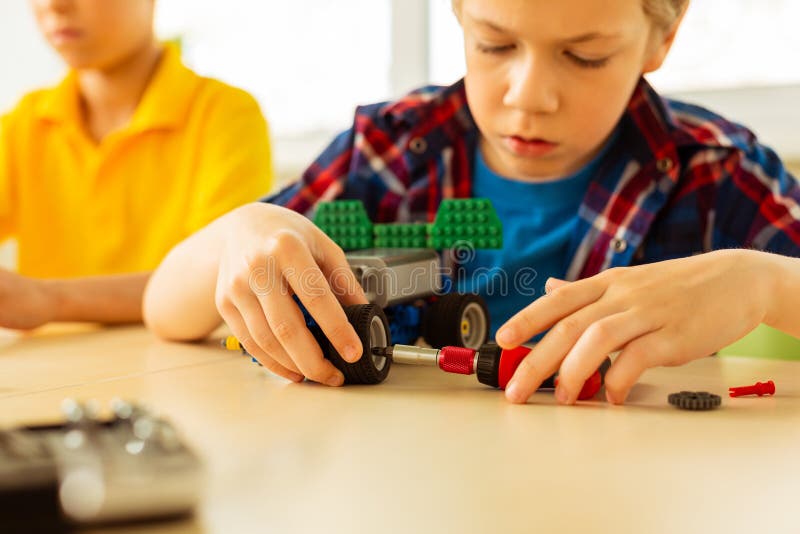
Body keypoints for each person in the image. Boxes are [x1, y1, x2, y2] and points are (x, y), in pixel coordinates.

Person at [143, 0, 800, 406]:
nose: (528, 95)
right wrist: (241, 234)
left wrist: (763, 283)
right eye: (495, 45)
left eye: (584, 56)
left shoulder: (713, 171)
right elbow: (166, 307)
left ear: (663, 34)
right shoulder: (387, 153)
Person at [0, 0, 272, 329]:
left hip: (180, 366)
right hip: (50, 370)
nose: (54, 5)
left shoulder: (225, 116)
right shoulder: (22, 124)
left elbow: (216, 276)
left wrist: (49, 298)